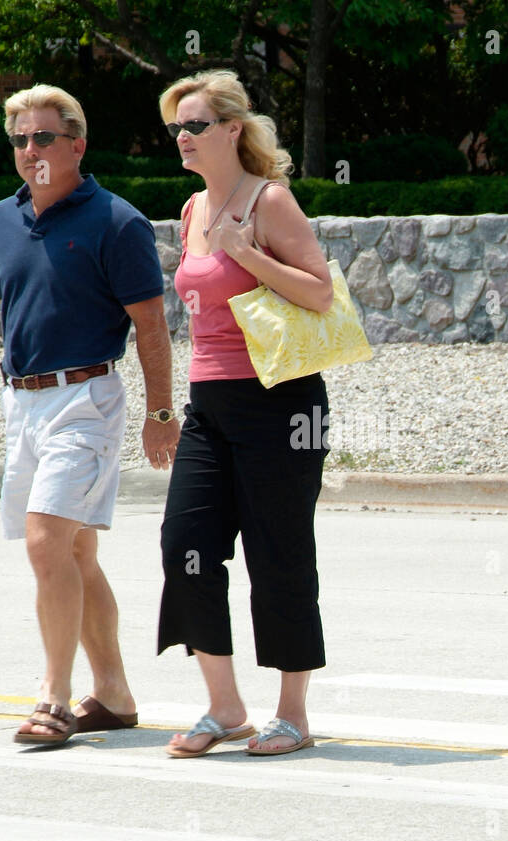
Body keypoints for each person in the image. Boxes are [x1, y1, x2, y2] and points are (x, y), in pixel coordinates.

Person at [0, 84, 179, 746]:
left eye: (45, 138)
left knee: (45, 542)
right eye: (21, 140)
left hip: (86, 401)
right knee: (77, 552)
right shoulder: (2, 219)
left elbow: (151, 326)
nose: (32, 151)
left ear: (77, 145)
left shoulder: (118, 222)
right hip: (20, 401)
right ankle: (112, 694)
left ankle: (53, 698)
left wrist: (161, 411)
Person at [156, 69, 334, 758]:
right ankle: (224, 707)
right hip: (212, 403)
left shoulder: (271, 202)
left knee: (279, 552)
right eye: (176, 128)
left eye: (195, 125)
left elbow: (319, 294)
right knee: (185, 546)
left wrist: (246, 254)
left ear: (233, 129)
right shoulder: (192, 210)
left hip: (281, 401)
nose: (183, 138)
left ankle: (292, 713)